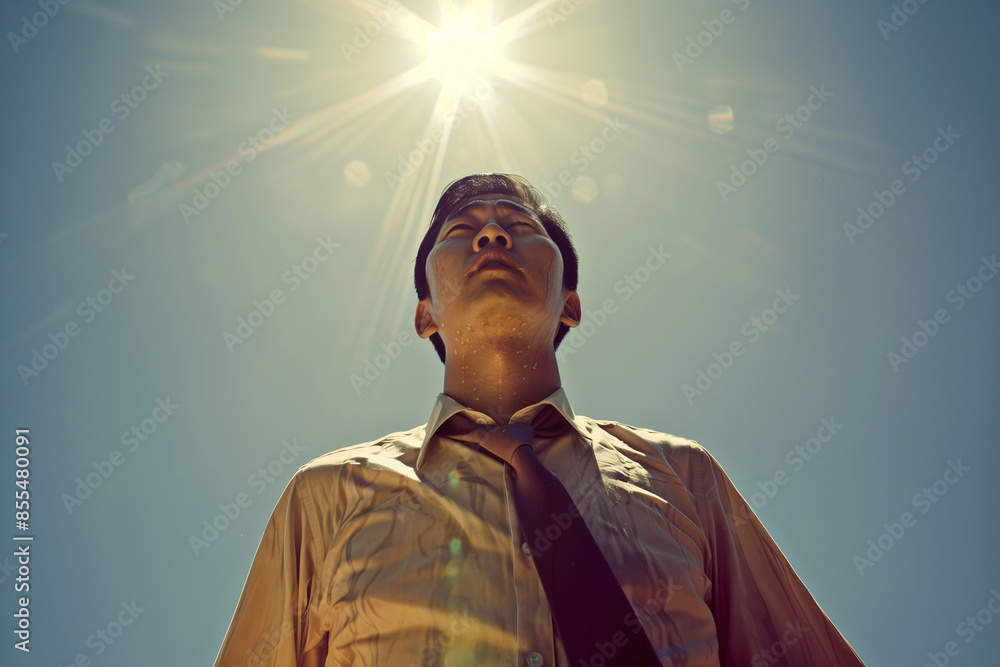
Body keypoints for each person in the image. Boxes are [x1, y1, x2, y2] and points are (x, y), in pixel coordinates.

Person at [213, 173, 866, 666]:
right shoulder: (325, 498)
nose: (491, 233)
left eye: (521, 224)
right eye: (460, 228)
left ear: (571, 304)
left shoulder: (684, 476)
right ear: (425, 315)